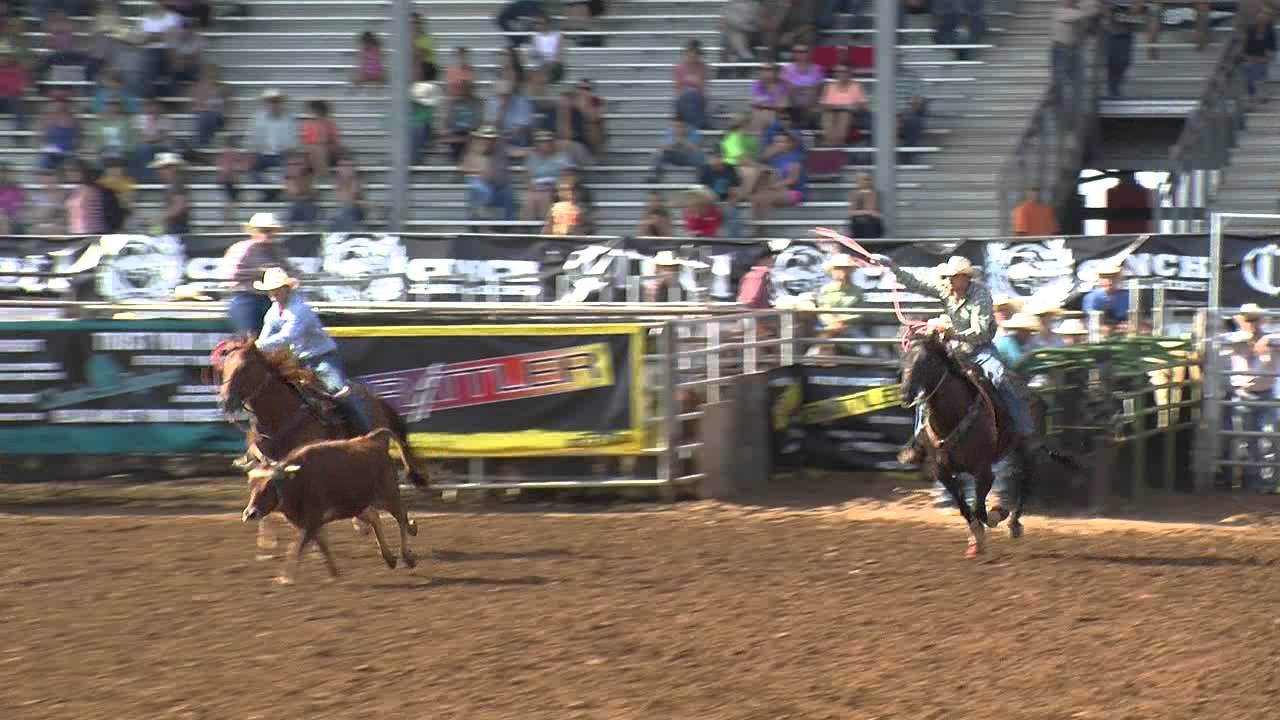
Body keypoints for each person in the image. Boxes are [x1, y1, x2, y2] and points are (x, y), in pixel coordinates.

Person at [868, 253, 1036, 464]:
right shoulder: (945, 290)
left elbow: (981, 332)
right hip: (954, 349)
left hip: (980, 349)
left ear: (965, 277)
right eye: (947, 276)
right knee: (929, 386)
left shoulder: (981, 295)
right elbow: (915, 284)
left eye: (953, 276)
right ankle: (918, 441)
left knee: (1000, 376)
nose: (948, 280)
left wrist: (950, 332)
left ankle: (1023, 428)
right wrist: (891, 266)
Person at [253, 267, 373, 435]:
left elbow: (287, 336)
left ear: (286, 289)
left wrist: (257, 346)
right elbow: (265, 336)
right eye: (270, 290)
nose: (272, 294)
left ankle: (367, 433)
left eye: (276, 289)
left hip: (322, 359)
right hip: (298, 361)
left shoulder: (299, 310)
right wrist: (257, 346)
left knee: (341, 392)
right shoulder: (273, 312)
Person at [1224, 303, 1280, 492]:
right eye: (1248, 319)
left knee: (1269, 437)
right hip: (1243, 394)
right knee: (1246, 441)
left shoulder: (1272, 339)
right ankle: (1251, 483)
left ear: (1262, 320)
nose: (1252, 323)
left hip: (1266, 394)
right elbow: (1218, 341)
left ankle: (1269, 484)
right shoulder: (1234, 339)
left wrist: (1268, 338)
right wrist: (1249, 338)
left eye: (1255, 319)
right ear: (1240, 321)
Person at [222, 212, 293, 337]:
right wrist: (260, 272)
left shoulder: (277, 250)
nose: (266, 234)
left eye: (270, 231)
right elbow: (229, 275)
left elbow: (290, 271)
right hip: (245, 298)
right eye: (263, 230)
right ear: (253, 232)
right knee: (248, 338)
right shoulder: (241, 249)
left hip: (271, 298)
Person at [1081, 264, 1129, 328]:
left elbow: (1125, 318)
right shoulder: (1091, 298)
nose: (1110, 281)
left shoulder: (1124, 297)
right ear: (1099, 279)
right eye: (1105, 277)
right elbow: (1091, 321)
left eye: (1113, 277)